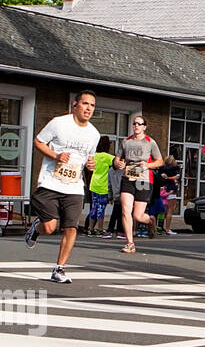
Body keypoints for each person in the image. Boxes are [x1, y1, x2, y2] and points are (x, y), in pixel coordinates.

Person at [24, 91, 103, 283]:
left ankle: (59, 269)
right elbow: (38, 141)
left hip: (75, 186)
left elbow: (89, 158)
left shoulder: (94, 134)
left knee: (71, 228)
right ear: (75, 105)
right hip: (51, 182)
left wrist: (90, 165)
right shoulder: (59, 123)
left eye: (92, 105)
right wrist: (55, 155)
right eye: (85, 104)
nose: (88, 108)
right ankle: (37, 227)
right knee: (50, 227)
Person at [113, 116, 163, 253]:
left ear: (144, 127)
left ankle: (150, 220)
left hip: (144, 179)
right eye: (134, 123)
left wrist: (148, 165)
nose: (136, 126)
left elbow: (160, 161)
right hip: (128, 177)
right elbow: (117, 159)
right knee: (125, 210)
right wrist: (117, 163)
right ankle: (130, 243)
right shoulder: (126, 141)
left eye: (139, 124)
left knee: (138, 215)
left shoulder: (150, 142)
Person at [84, 135, 113, 237]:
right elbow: (117, 162)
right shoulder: (107, 157)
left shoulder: (94, 156)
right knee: (101, 208)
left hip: (94, 184)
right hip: (103, 185)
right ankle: (100, 229)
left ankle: (90, 228)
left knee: (94, 207)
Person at [156, 155, 181, 235]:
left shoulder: (162, 169)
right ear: (171, 161)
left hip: (163, 191)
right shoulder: (174, 169)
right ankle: (168, 229)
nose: (175, 162)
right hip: (171, 191)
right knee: (170, 210)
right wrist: (172, 178)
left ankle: (160, 227)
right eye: (174, 160)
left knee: (163, 211)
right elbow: (177, 178)